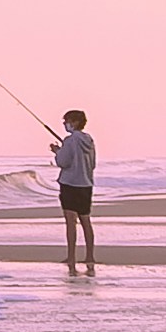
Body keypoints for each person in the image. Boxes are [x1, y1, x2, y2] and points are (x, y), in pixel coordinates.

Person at [51, 106, 100, 269]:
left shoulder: (70, 140)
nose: (65, 124)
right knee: (86, 220)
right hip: (86, 184)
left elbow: (63, 162)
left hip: (70, 184)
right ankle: (90, 256)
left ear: (76, 122)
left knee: (71, 222)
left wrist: (57, 151)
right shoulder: (90, 140)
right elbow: (92, 164)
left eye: (67, 121)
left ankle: (71, 257)